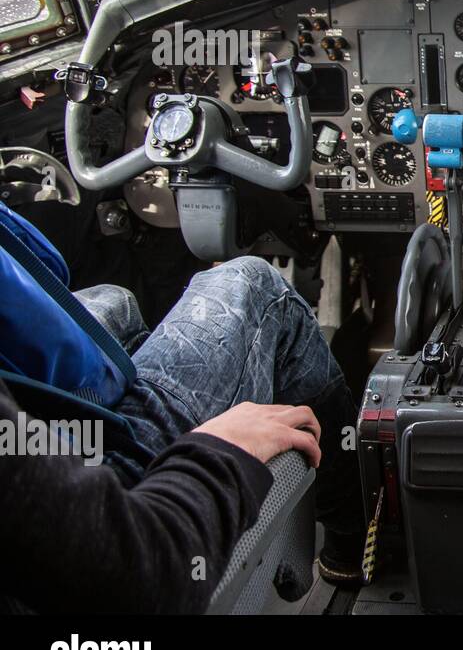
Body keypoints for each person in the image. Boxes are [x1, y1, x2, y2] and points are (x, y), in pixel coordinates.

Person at [0, 200, 365, 613]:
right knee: (253, 285)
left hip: (39, 418)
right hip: (99, 475)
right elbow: (136, 578)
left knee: (113, 301)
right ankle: (357, 541)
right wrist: (217, 450)